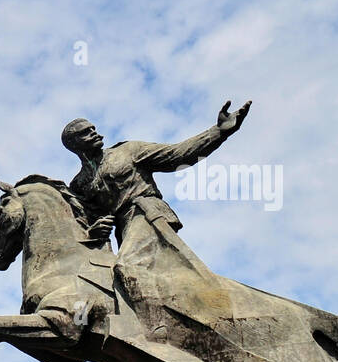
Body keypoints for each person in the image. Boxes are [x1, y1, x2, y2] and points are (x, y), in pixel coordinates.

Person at [61, 101, 252, 268]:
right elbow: (84, 225)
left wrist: (219, 131)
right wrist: (93, 230)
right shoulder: (78, 185)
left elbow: (179, 155)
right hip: (124, 233)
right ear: (74, 144)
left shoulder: (128, 151)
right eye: (86, 133)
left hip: (147, 215)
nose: (95, 134)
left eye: (93, 129)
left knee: (128, 266)